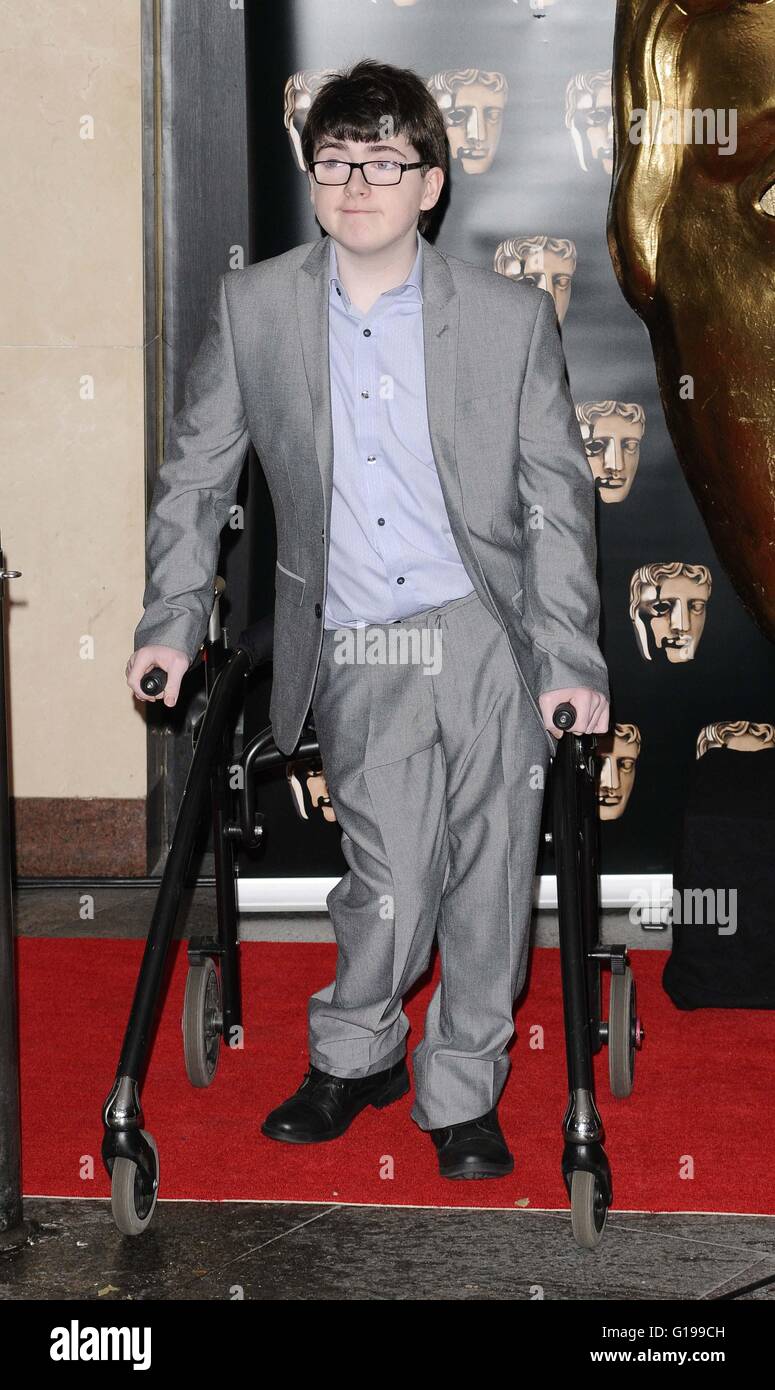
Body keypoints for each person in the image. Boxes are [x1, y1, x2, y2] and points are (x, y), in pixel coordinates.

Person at [127, 58, 610, 1180]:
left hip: (485, 630)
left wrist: (570, 654)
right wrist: (168, 620)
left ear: (430, 183)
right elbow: (199, 477)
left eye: (384, 162)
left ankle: (461, 1086)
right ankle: (356, 1050)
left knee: (490, 868)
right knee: (388, 869)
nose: (356, 184)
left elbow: (553, 498)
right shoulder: (255, 309)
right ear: (312, 178)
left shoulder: (504, 320)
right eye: (335, 161)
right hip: (357, 635)